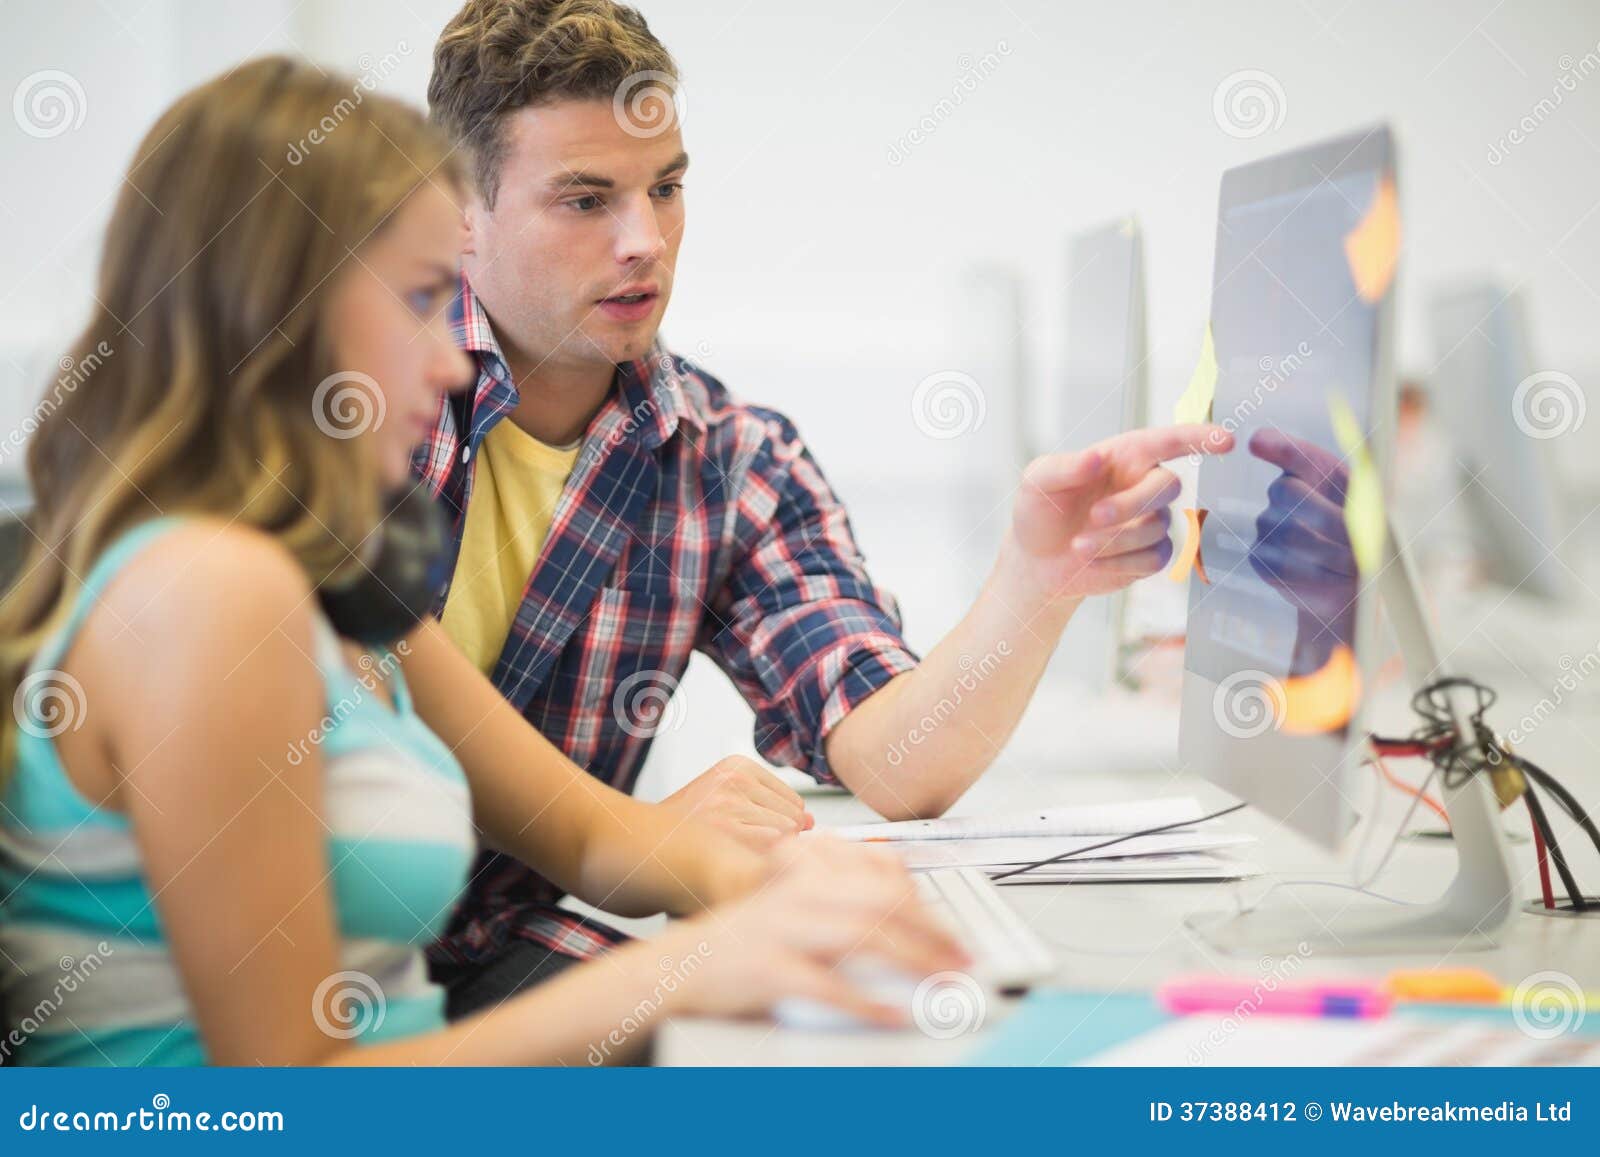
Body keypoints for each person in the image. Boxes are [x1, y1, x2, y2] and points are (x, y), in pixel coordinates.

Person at [0, 57, 964, 1067]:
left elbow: (587, 834)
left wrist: (788, 895)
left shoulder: (326, 585)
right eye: (420, 295)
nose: (456, 356)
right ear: (282, 309)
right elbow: (286, 1104)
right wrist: (683, 970)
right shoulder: (209, 595)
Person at [416, 0, 1234, 1013]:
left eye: (666, 188)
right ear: (457, 207)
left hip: (493, 948)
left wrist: (1036, 580)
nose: (644, 241)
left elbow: (897, 765)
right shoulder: (361, 396)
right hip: (309, 954)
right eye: (585, 200)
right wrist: (656, 848)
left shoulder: (728, 455)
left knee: (853, 1032)